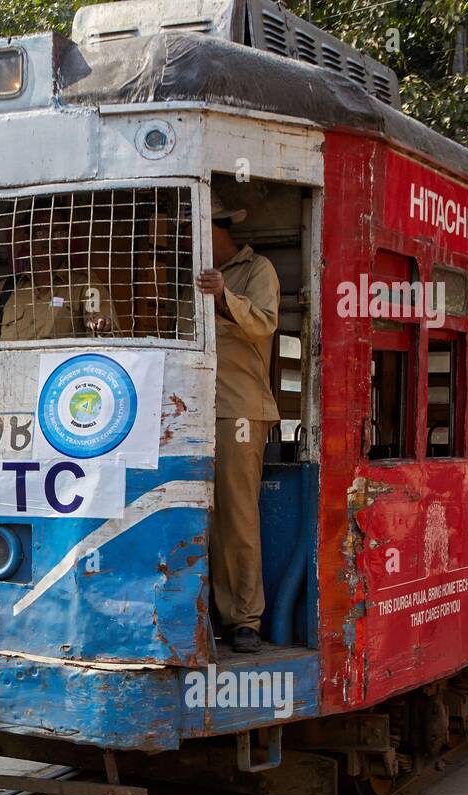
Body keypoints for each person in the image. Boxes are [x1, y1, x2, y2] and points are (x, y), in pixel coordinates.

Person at [196, 194, 281, 654]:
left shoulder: (257, 270)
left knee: (237, 517)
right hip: (191, 408)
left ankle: (244, 619)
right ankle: (200, 610)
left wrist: (223, 296)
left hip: (240, 410)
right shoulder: (188, 273)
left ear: (218, 230)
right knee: (194, 514)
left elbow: (265, 324)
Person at [0, 203, 116, 341]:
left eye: (59, 233)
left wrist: (102, 327)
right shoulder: (4, 291)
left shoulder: (84, 285)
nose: (50, 239)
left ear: (67, 238)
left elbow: (103, 329)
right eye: (42, 232)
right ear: (27, 239)